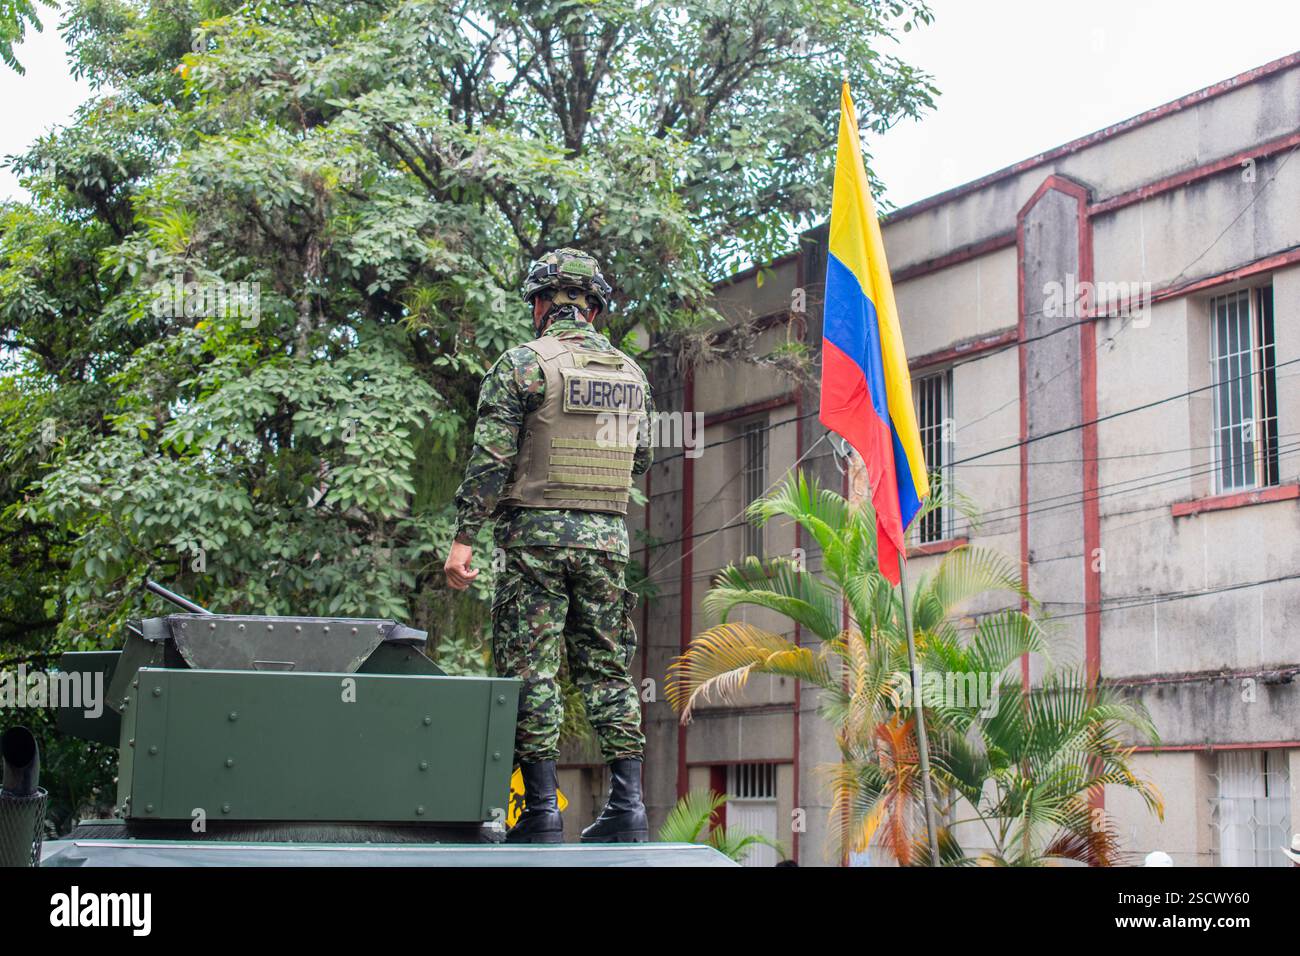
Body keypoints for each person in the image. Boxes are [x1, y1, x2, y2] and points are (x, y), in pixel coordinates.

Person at [444, 248, 653, 844]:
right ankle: (628, 811)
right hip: (607, 541)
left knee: (531, 668)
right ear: (594, 307)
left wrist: (464, 539)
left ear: (541, 304)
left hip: (534, 540)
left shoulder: (522, 365)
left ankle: (540, 813)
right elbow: (638, 460)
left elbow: (490, 461)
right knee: (608, 669)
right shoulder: (631, 375)